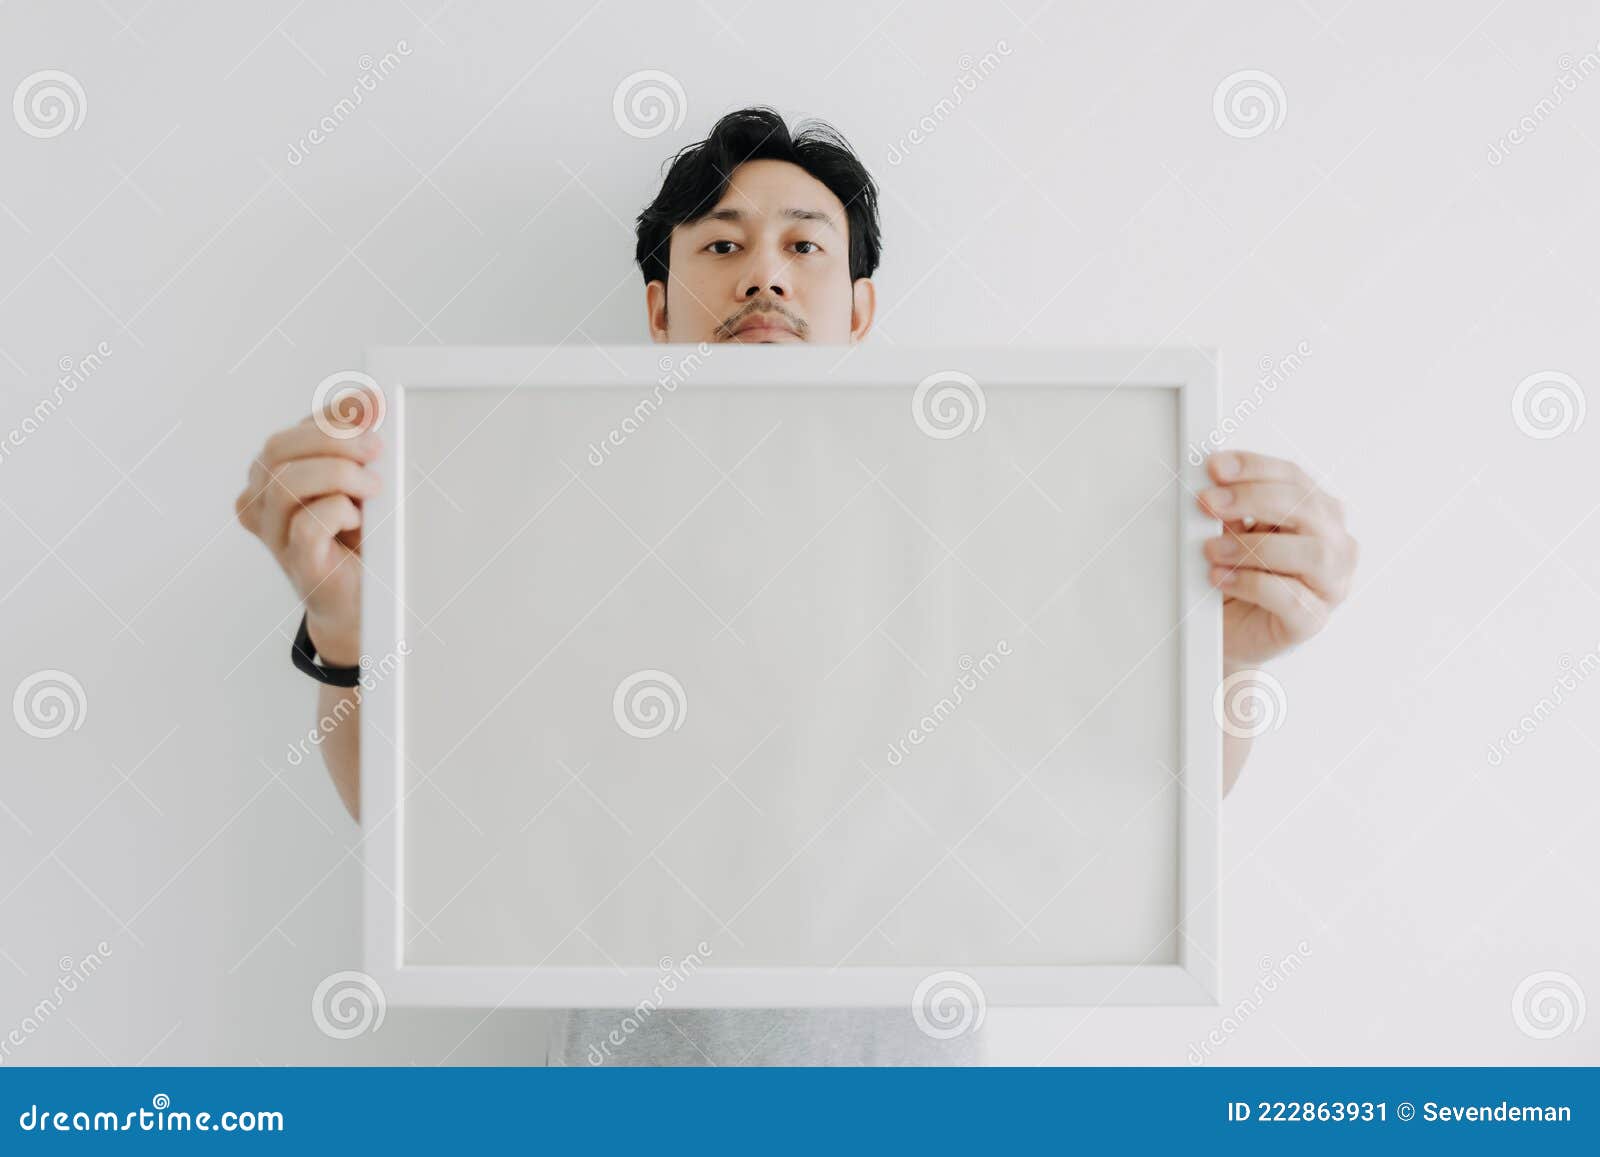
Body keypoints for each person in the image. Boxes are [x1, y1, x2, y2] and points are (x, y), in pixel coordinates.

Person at [234, 107, 1360, 1066]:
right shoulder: (552, 530)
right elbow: (415, 821)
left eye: (805, 246)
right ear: (657, 305)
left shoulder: (980, 526)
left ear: (860, 307)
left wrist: (1220, 655)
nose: (763, 269)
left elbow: (1109, 815)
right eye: (719, 245)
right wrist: (344, 626)